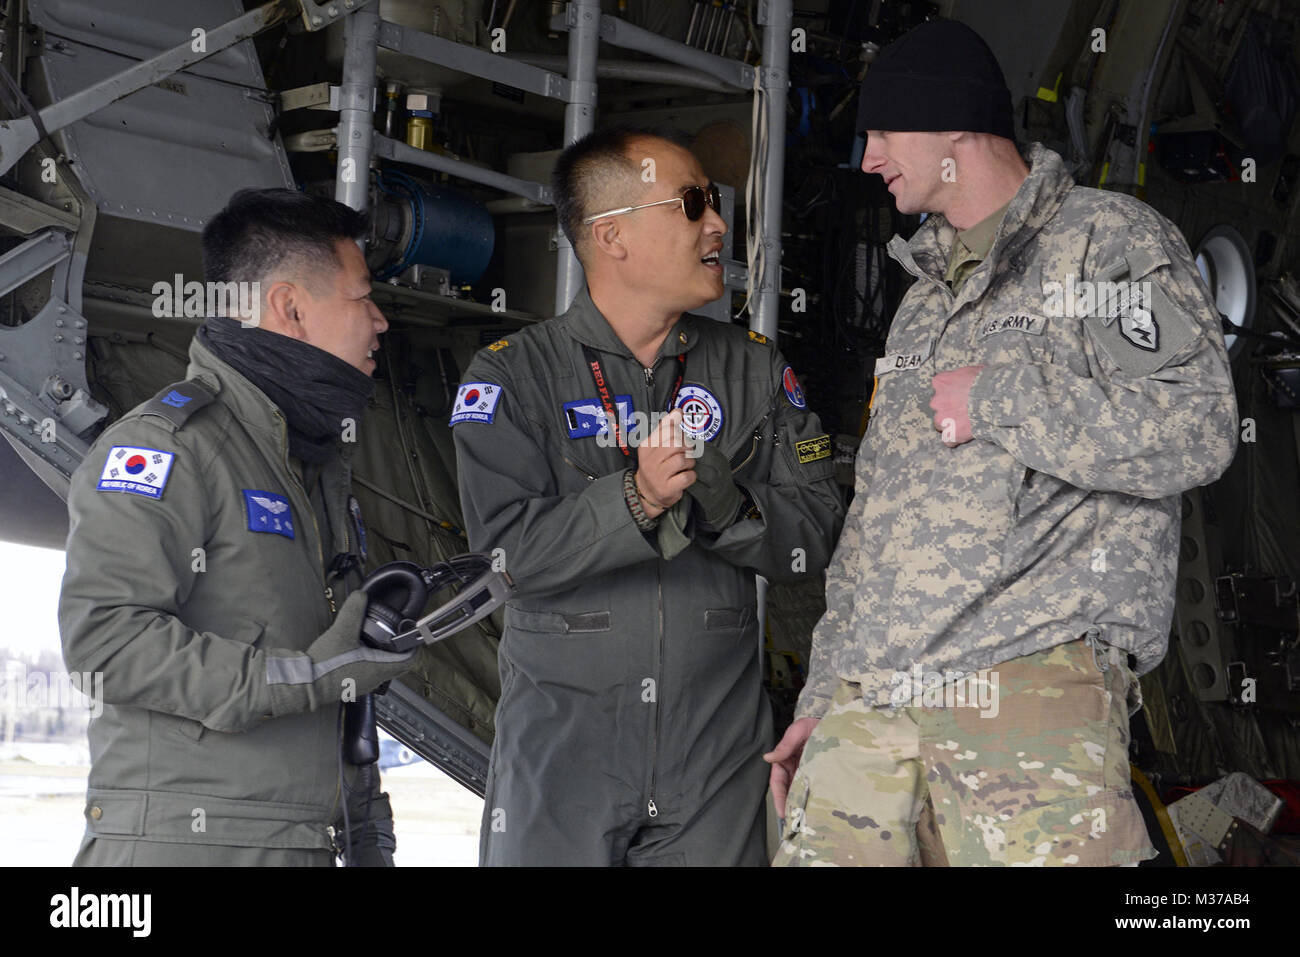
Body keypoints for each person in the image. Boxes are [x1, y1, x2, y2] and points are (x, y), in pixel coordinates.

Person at [767, 20, 1238, 866]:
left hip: (1023, 686)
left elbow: (1195, 426)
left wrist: (998, 399)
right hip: (870, 709)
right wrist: (823, 693)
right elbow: (873, 515)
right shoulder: (923, 297)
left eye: (883, 133)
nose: (869, 159)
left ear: (953, 126)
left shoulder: (1104, 245)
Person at [452, 127, 845, 865]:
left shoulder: (754, 370)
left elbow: (818, 535)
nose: (718, 223)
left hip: (716, 762)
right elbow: (505, 558)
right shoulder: (512, 376)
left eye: (715, 202)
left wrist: (725, 502)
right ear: (612, 236)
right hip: (563, 759)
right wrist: (635, 498)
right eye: (693, 203)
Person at [59, 188, 415, 866]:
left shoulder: (311, 461)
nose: (380, 321)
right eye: (363, 297)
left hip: (303, 843)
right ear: (290, 307)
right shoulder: (169, 447)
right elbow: (105, 645)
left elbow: (333, 679)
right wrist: (312, 675)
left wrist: (367, 829)